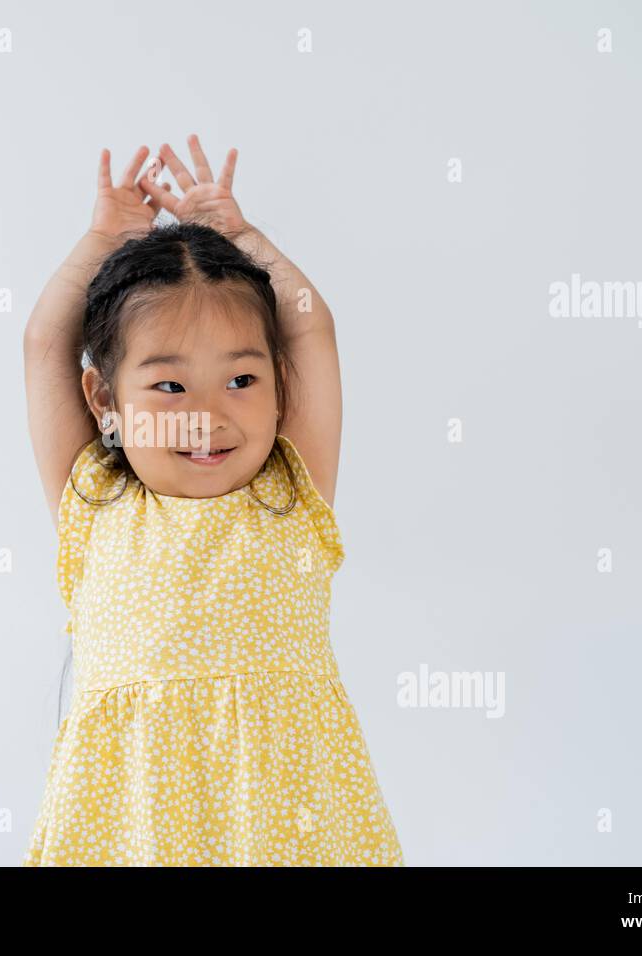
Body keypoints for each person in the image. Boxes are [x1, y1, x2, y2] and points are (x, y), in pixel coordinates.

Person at [21, 135, 403, 866]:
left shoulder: (293, 493)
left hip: (292, 835)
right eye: (169, 386)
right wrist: (102, 239)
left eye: (241, 381)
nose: (209, 414)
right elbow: (45, 342)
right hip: (131, 839)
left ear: (279, 387)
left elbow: (310, 325)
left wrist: (242, 237)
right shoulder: (94, 505)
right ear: (105, 398)